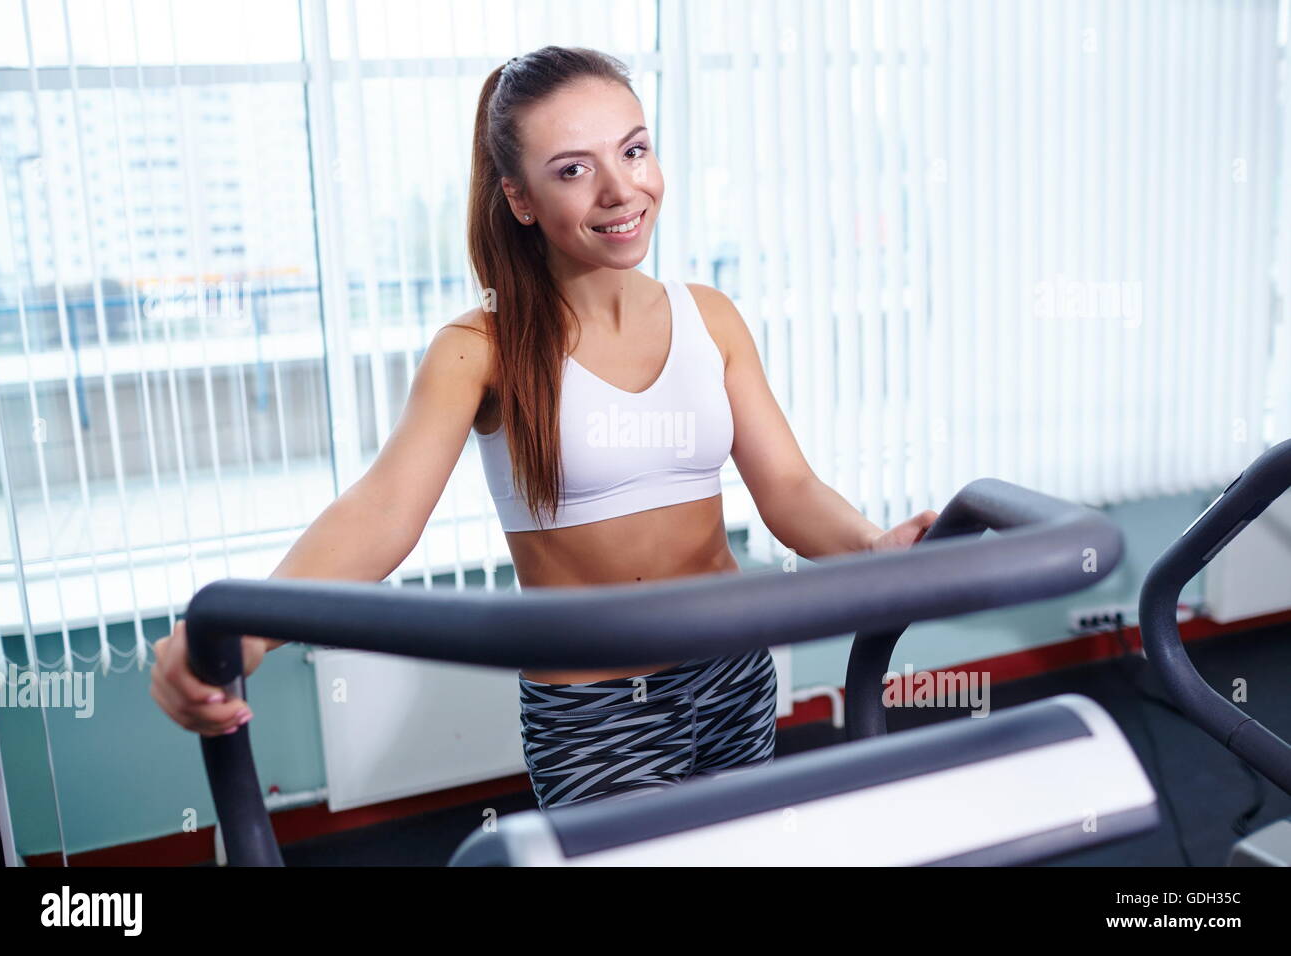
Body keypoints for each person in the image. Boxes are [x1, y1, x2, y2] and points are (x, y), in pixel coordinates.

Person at [151, 45, 938, 810]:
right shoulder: (480, 348)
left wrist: (874, 551)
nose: (620, 190)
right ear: (520, 199)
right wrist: (240, 634)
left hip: (733, 671)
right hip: (598, 709)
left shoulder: (712, 318)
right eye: (573, 169)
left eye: (633, 151)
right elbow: (381, 512)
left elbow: (790, 489)